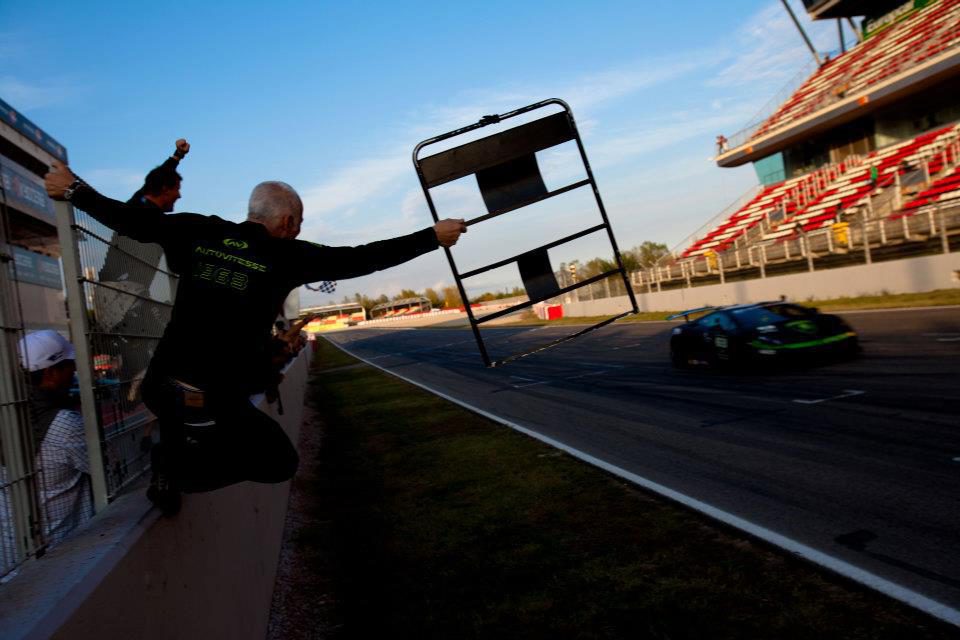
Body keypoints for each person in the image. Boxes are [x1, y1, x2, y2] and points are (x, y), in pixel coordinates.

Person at [44, 159, 467, 515]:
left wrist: (75, 189)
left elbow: (132, 220)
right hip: (207, 398)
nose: (298, 231)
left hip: (161, 387)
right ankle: (177, 471)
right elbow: (364, 258)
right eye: (298, 224)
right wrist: (432, 237)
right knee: (278, 460)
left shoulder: (201, 230)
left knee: (191, 415)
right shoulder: (286, 255)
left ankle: (173, 461)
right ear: (285, 222)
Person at [16, 330, 93, 546]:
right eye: (69, 364)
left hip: (13, 557)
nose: (74, 369)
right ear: (50, 373)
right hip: (62, 548)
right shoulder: (65, 423)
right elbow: (105, 469)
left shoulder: (12, 417)